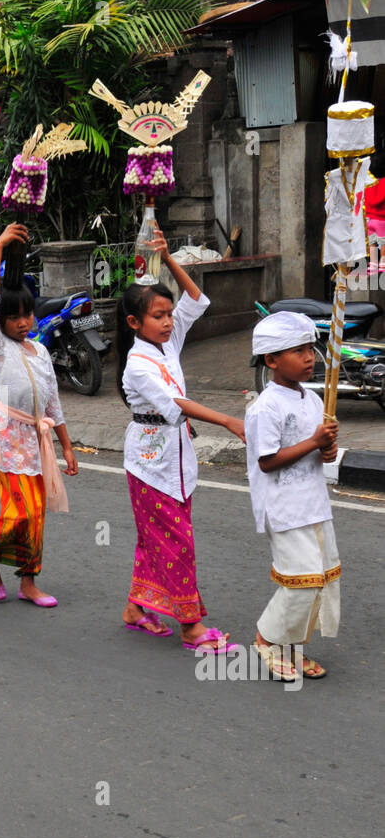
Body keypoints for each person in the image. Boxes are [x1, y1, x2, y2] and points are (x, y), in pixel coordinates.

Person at [117, 226, 245, 650]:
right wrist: (228, 421)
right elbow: (178, 403)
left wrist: (169, 259)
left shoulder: (167, 344)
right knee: (176, 543)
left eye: (168, 315)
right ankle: (190, 628)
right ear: (135, 322)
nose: (169, 322)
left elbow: (197, 299)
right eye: (158, 316)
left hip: (175, 456)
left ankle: (136, 608)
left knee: (157, 538)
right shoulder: (138, 363)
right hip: (151, 462)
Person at [0, 222, 77, 607]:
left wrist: (67, 447)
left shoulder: (42, 353)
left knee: (36, 516)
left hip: (39, 440)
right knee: (19, 513)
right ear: (0, 322)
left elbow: (54, 406)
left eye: (27, 315)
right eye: (14, 316)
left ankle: (29, 582)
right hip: (8, 438)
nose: (23, 322)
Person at [245, 312, 340, 683]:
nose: (309, 358)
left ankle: (291, 646)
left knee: (320, 577)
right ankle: (266, 640)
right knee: (301, 579)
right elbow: (268, 461)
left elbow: (319, 452)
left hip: (313, 502)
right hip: (283, 508)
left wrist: (327, 450)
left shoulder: (313, 400)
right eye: (298, 351)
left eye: (311, 349)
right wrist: (314, 442)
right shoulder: (265, 408)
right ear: (271, 360)